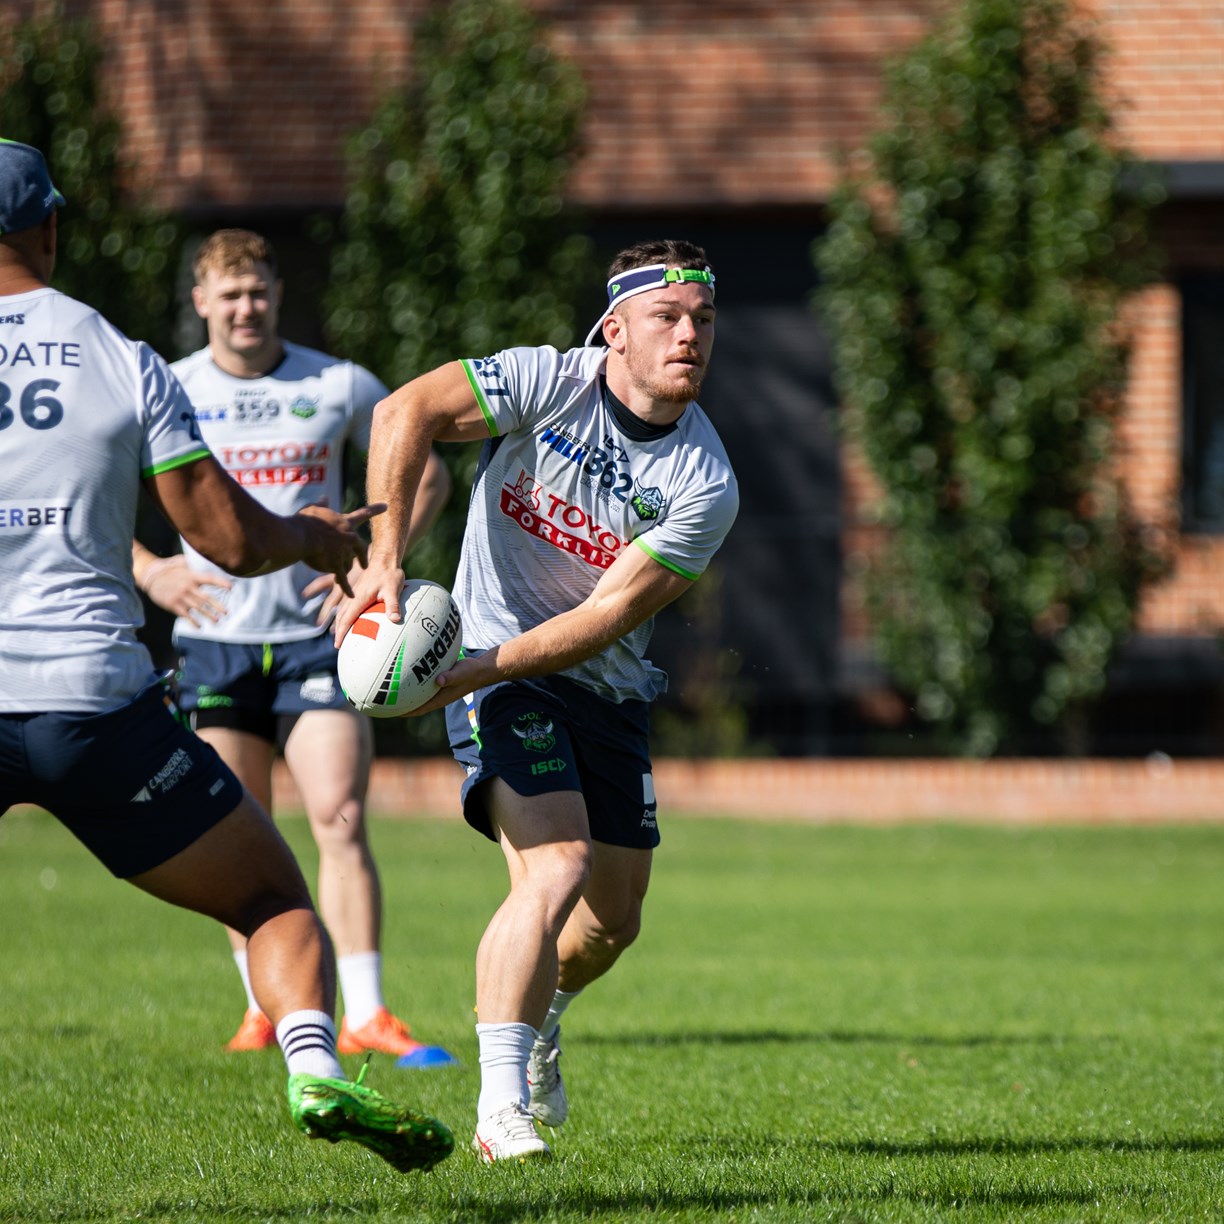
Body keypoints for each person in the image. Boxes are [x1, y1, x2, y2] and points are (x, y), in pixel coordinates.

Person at [0, 141, 452, 1172]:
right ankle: (311, 1064)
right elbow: (231, 541)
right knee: (272, 900)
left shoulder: (301, 377)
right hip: (93, 708)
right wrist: (319, 537)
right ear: (53, 232)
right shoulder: (121, 357)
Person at [332, 239, 739, 1160]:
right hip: (500, 672)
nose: (690, 336)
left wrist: (481, 664)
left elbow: (606, 615)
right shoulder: (544, 381)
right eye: (668, 318)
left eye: (704, 320)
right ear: (615, 329)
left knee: (610, 924)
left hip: (597, 684)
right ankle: (500, 1110)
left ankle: (542, 1012)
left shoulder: (704, 481)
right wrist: (387, 557)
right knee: (552, 868)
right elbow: (407, 411)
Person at [131, 229, 455, 1066]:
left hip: (324, 643)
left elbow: (428, 473)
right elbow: (80, 487)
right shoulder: (169, 387)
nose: (247, 307)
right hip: (213, 641)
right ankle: (261, 1010)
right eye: (228, 293)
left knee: (340, 818)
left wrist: (376, 568)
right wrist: (148, 571)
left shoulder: (337, 383)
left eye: (259, 290)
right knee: (235, 831)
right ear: (201, 301)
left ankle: (369, 1012)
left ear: (277, 293)